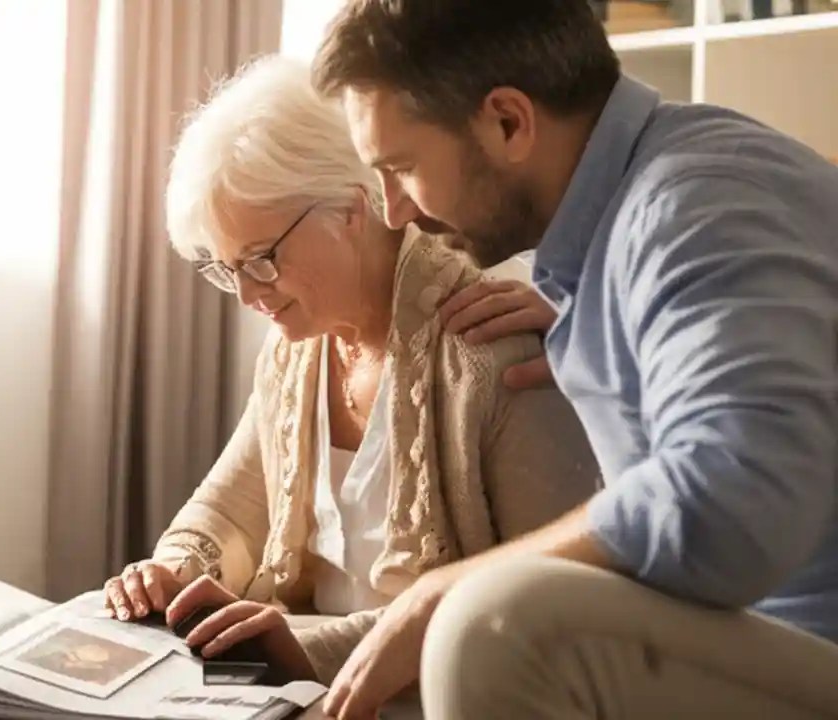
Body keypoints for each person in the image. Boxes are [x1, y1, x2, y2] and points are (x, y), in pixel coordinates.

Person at [283, 0, 838, 718]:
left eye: (402, 166)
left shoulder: (694, 210)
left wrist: (446, 588)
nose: (394, 210)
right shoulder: (632, 226)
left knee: (492, 623)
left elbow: (734, 499)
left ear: (508, 121)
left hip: (811, 637)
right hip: (768, 643)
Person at [99, 55, 599, 685]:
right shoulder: (298, 348)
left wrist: (317, 651)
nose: (250, 294)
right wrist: (173, 571)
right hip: (314, 680)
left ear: (350, 208)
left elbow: (540, 598)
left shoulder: (490, 342)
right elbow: (231, 509)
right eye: (226, 270)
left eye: (262, 259)